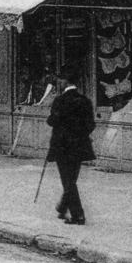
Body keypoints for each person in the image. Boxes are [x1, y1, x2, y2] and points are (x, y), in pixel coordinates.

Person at [46, 67, 95, 225]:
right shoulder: (85, 101)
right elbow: (90, 125)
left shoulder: (59, 101)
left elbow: (52, 121)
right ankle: (62, 207)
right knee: (71, 179)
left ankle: (78, 215)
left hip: (62, 146)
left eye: (60, 80)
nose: (58, 82)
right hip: (80, 146)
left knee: (68, 181)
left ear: (65, 81)